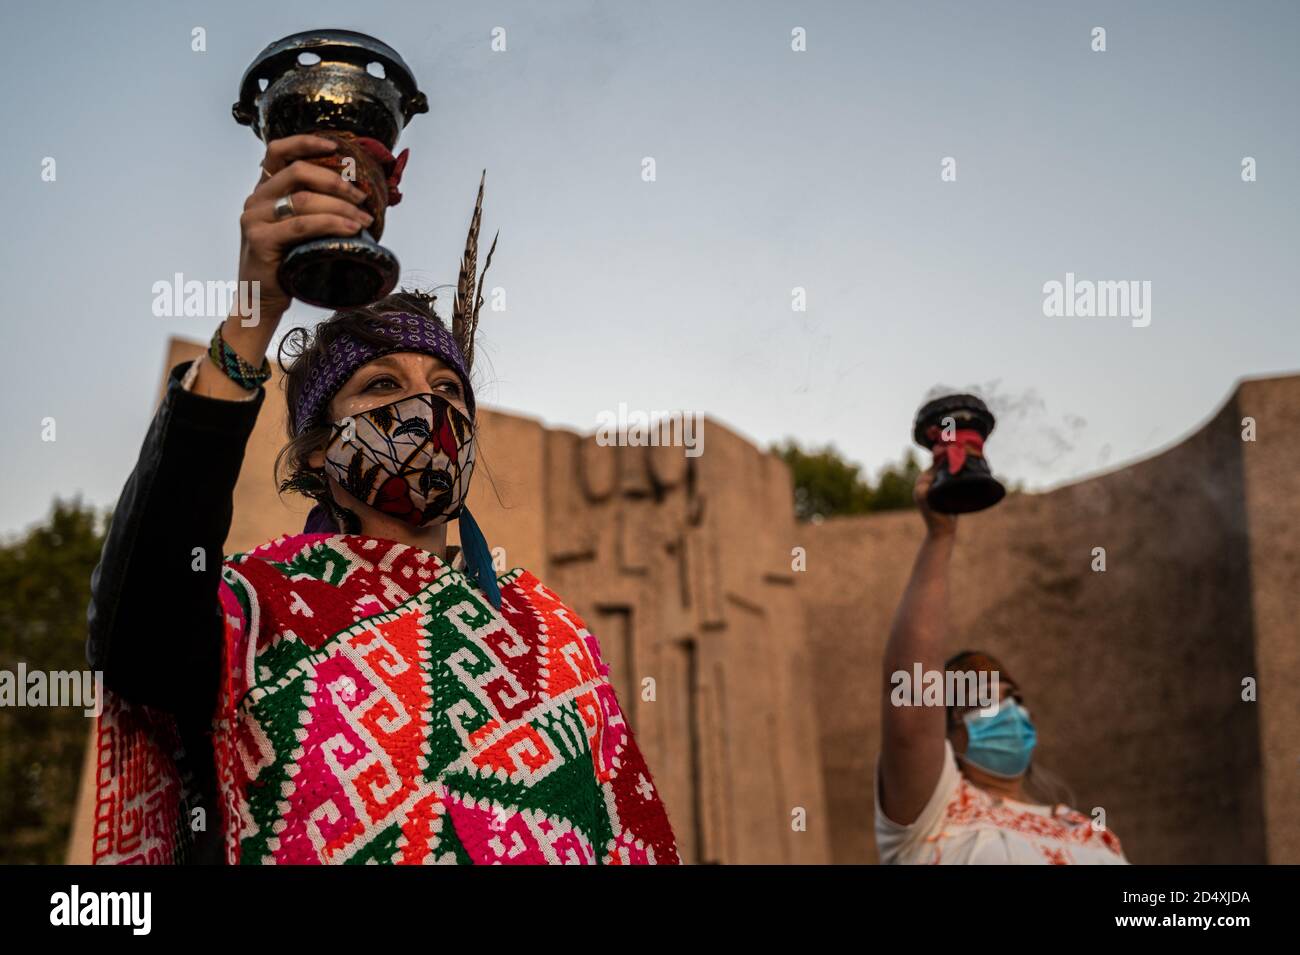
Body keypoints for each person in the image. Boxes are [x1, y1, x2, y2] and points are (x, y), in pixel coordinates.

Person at [85, 133, 680, 865]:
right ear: (315, 452)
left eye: (448, 389)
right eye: (381, 386)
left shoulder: (553, 637)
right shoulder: (257, 608)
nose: (426, 409)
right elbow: (133, 635)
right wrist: (252, 316)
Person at [874, 465, 1127, 864]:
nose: (1008, 711)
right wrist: (941, 536)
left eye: (1013, 698)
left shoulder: (1089, 832)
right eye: (983, 700)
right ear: (948, 734)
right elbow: (910, 702)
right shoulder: (935, 816)